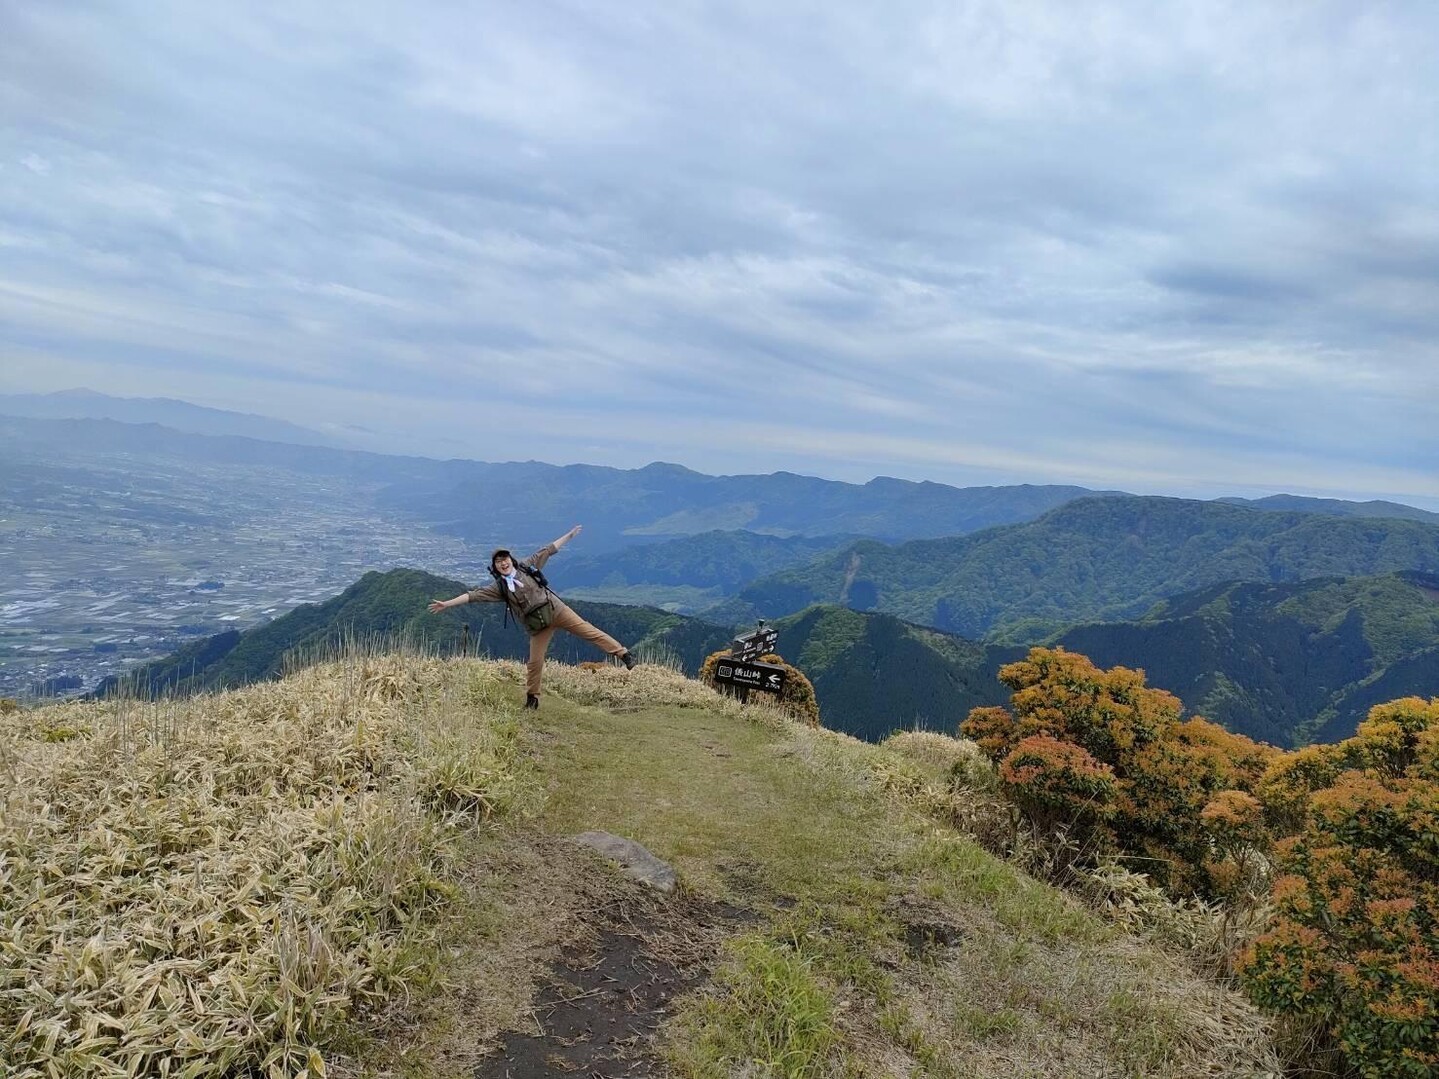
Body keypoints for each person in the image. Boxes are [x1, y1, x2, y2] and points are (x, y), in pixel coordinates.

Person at [428, 525, 636, 709]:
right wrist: (447, 604)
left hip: (557, 610)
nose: (503, 563)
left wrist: (570, 535)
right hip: (538, 626)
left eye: (505, 559)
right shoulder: (499, 588)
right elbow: (472, 596)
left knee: (589, 631)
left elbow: (549, 549)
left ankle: (623, 654)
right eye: (499, 561)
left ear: (511, 560)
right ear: (495, 567)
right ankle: (532, 698)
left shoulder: (527, 566)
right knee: (535, 662)